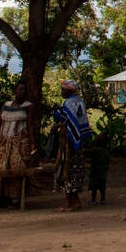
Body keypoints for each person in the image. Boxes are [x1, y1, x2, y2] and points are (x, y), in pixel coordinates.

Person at [0, 82, 37, 208]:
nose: (22, 92)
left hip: (20, 143)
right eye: (20, 89)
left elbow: (30, 125)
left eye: (24, 90)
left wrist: (32, 143)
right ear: (15, 91)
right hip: (4, 143)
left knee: (17, 169)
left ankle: (16, 199)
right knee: (0, 169)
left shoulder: (28, 106)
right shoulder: (6, 105)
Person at [52, 80, 92, 212]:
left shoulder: (69, 103)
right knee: (76, 169)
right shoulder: (80, 101)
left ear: (70, 91)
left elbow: (67, 120)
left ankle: (68, 201)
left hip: (71, 142)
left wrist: (58, 115)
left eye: (64, 90)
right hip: (80, 143)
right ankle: (75, 201)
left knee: (68, 168)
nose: (62, 92)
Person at [88, 130, 110, 205]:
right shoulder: (106, 151)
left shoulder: (95, 151)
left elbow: (87, 153)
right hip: (103, 172)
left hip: (95, 172)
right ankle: (103, 199)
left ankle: (93, 200)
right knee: (102, 187)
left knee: (94, 187)